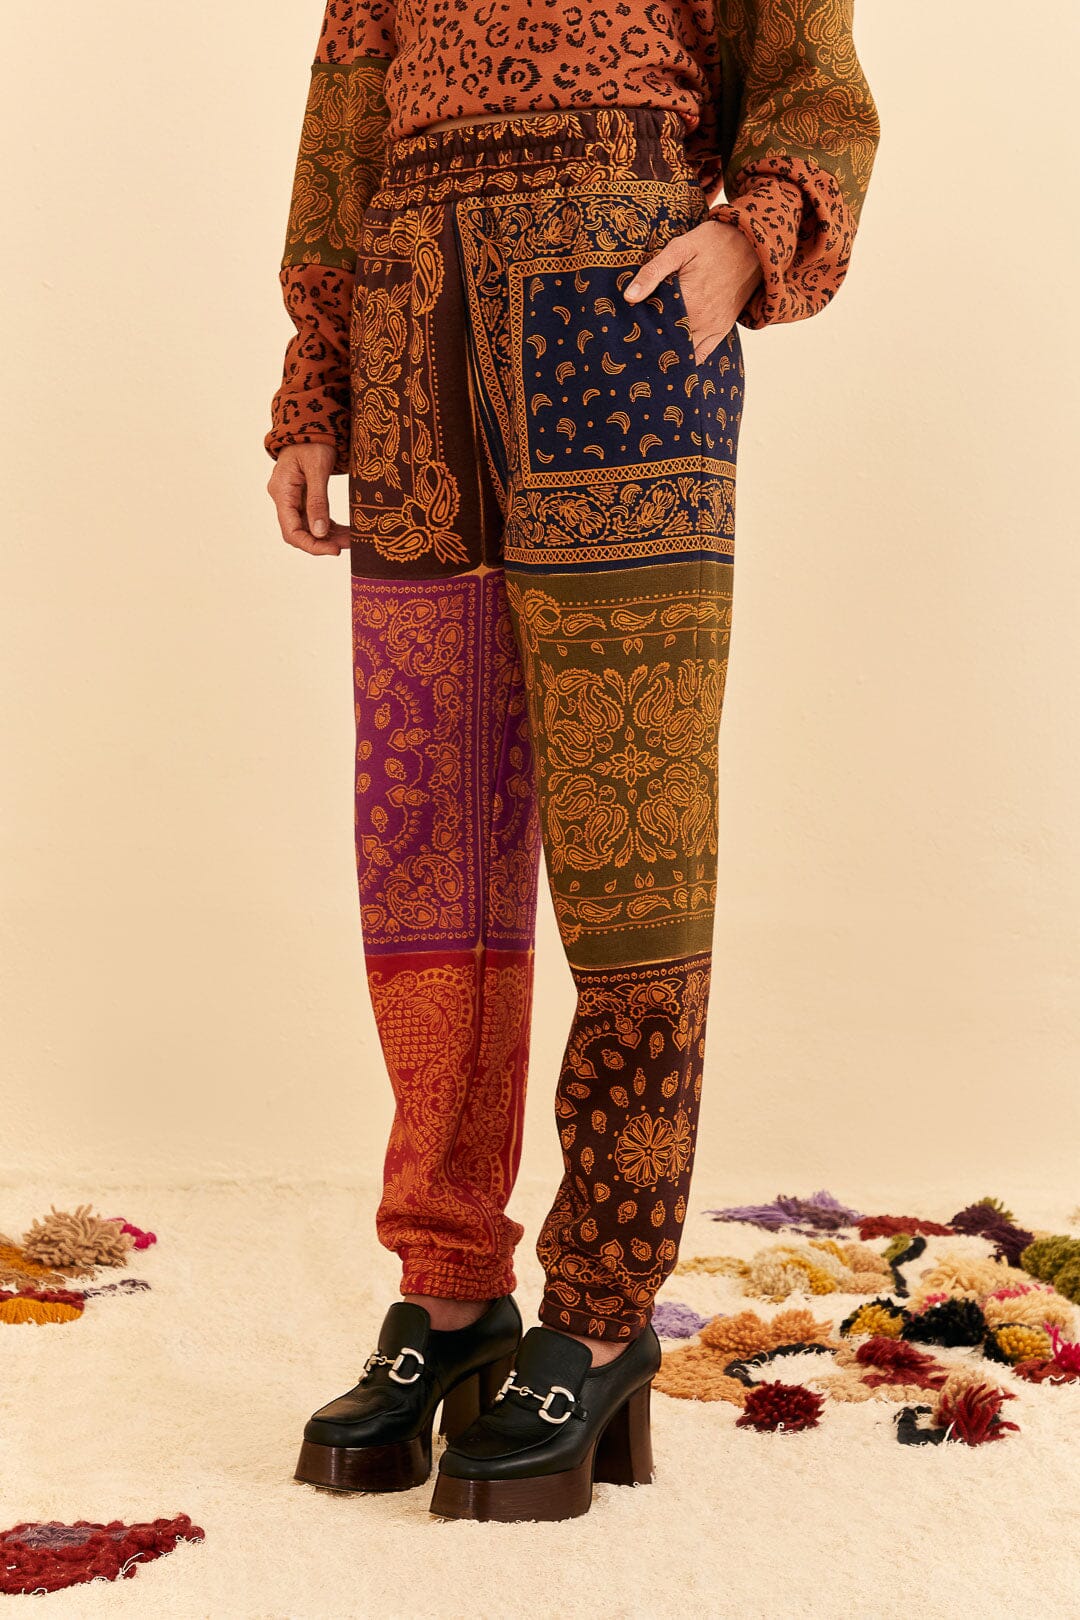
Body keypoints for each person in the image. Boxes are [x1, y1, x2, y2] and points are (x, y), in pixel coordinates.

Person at [265, 0, 879, 1523]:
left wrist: (750, 234)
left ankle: (600, 1314)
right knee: (428, 856)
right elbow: (341, 141)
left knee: (631, 848)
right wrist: (315, 386)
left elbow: (810, 76)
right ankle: (450, 1290)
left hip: (622, 325)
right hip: (413, 352)